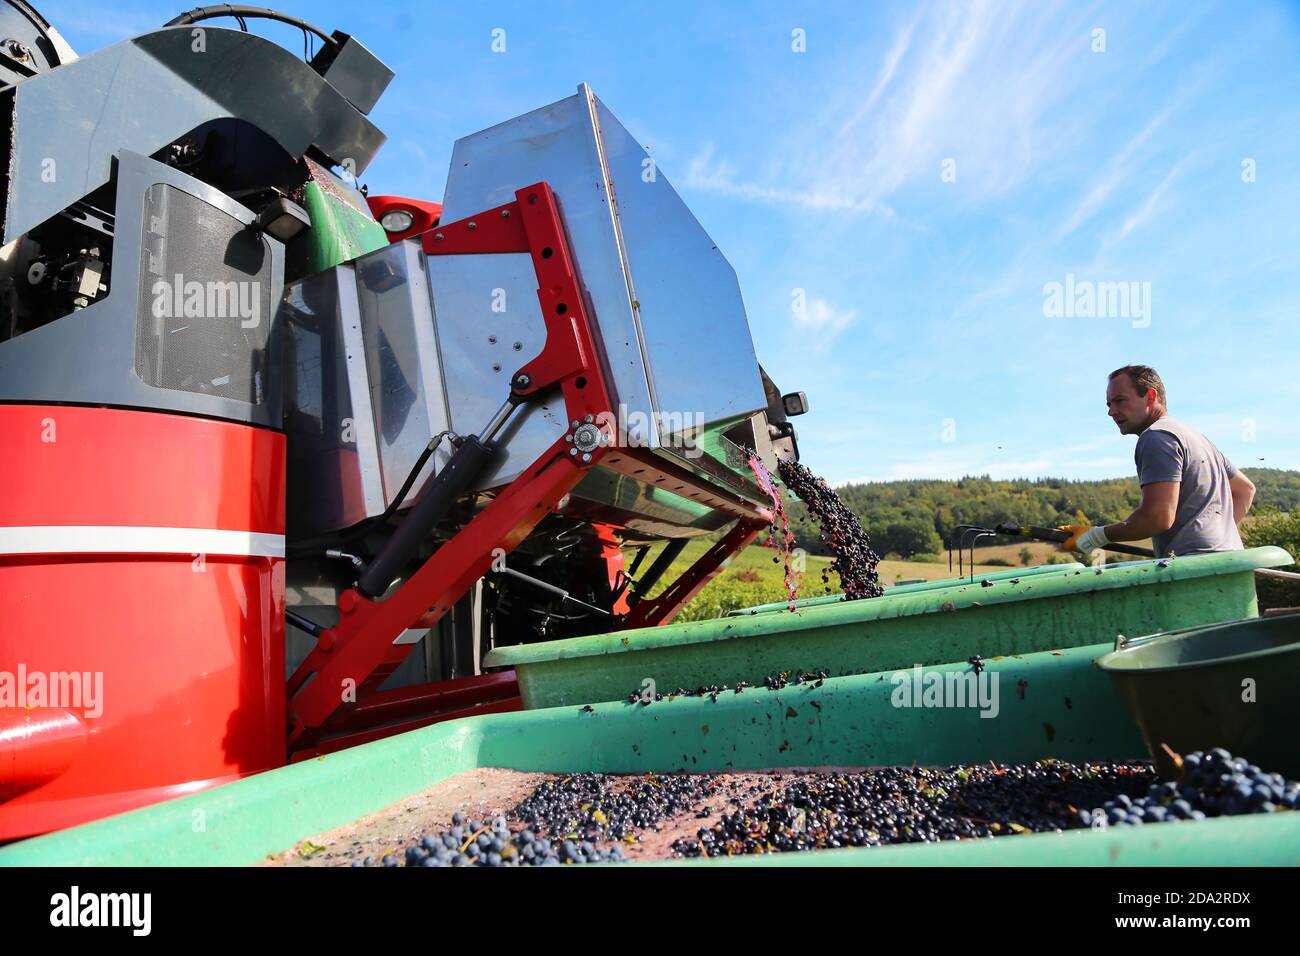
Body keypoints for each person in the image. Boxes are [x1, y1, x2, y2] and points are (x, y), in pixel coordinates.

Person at [1060, 365, 1254, 559]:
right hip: (1231, 562)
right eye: (1109, 404)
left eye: (1119, 401)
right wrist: (1218, 541)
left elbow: (1157, 518)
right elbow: (1245, 490)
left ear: (1151, 396)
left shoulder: (1156, 437)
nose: (1111, 412)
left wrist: (1094, 536)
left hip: (1195, 571)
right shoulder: (1196, 438)